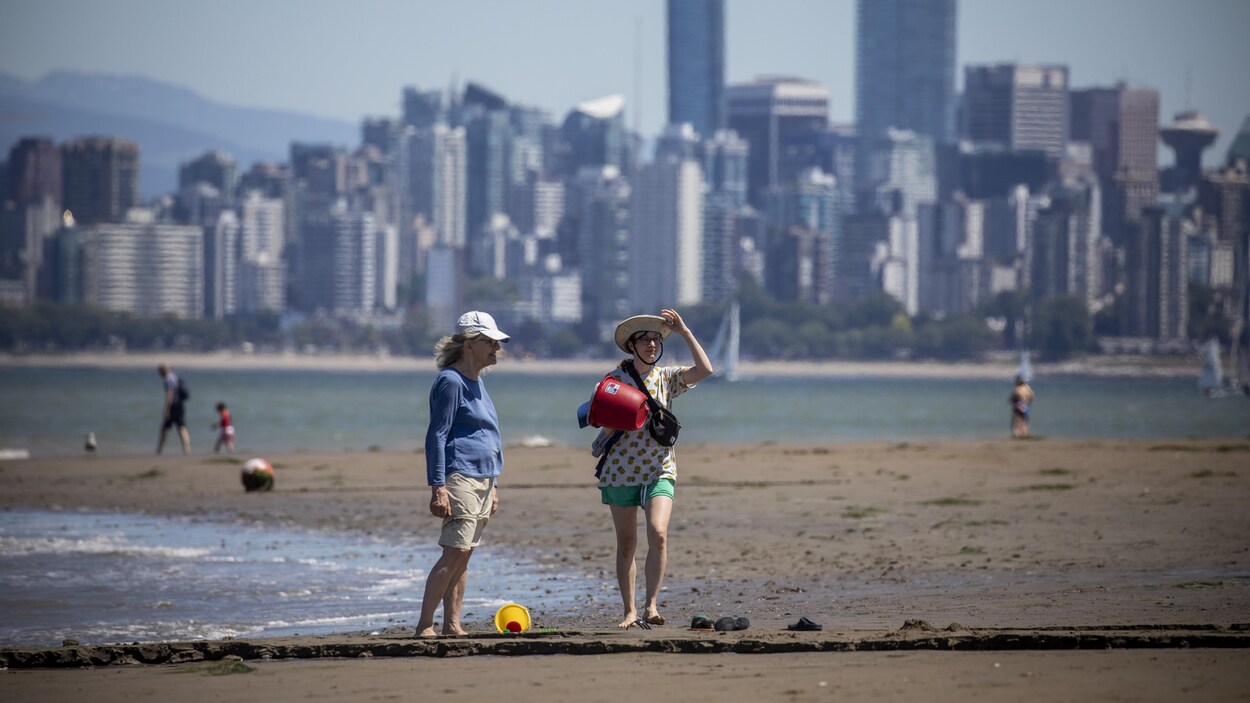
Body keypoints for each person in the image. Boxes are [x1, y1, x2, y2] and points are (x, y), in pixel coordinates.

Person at [595, 309, 713, 629]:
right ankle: (629, 610)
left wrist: (685, 331)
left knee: (658, 533)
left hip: (660, 468)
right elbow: (598, 420)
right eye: (644, 339)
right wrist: (617, 416)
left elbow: (705, 369)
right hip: (620, 470)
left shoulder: (667, 377)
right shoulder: (613, 381)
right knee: (627, 543)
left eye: (656, 339)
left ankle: (651, 605)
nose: (651, 344)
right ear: (631, 346)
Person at [415, 311, 510, 638]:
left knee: (465, 552)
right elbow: (437, 436)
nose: (497, 347)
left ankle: (452, 624)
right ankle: (425, 624)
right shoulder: (450, 381)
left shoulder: (477, 381)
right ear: (470, 344)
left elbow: (487, 434)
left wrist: (494, 484)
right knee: (454, 550)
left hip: (483, 476)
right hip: (461, 475)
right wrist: (438, 486)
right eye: (490, 341)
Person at [156, 363, 190, 455]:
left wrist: (166, 408)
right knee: (181, 426)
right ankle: (186, 448)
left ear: (162, 371)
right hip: (180, 404)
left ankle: (159, 449)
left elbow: (170, 395)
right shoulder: (175, 377)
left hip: (173, 406)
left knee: (165, 428)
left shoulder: (168, 379)